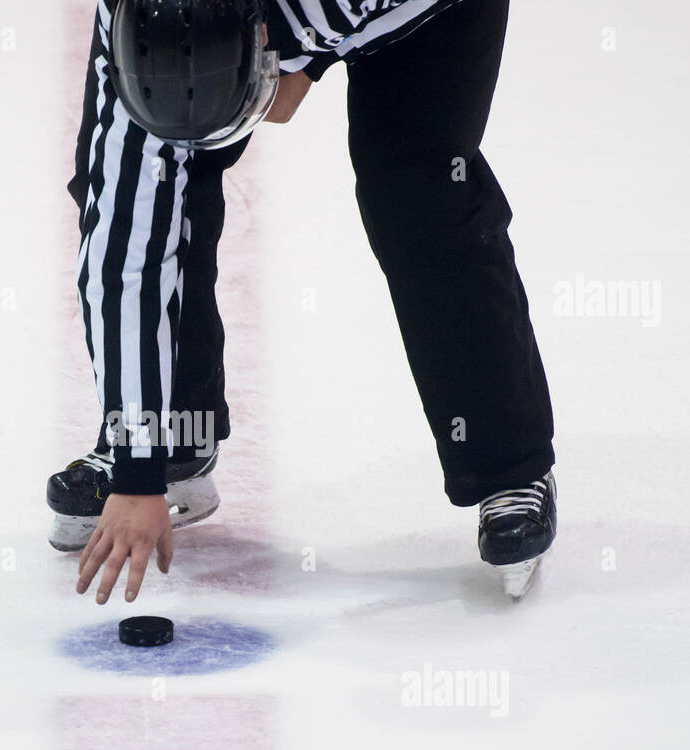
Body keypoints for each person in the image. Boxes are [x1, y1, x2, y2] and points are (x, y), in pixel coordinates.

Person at [48, 0, 556, 601]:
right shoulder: (132, 22)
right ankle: (177, 433)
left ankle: (510, 467)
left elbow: (299, 63)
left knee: (420, 194)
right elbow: (124, 250)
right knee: (154, 192)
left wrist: (304, 61)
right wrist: (137, 463)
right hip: (272, 22)